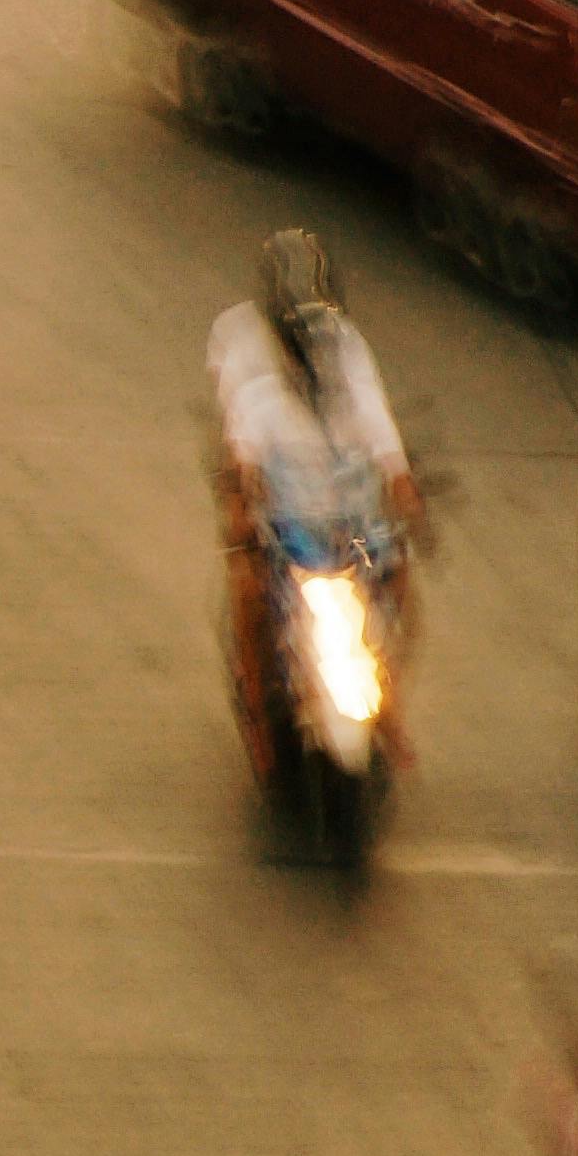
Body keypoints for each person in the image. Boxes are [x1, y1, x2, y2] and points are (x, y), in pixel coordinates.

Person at [208, 231, 419, 778]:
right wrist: (241, 513)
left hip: (347, 527)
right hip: (287, 528)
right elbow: (243, 457)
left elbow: (382, 434)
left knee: (401, 585)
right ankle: (258, 715)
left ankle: (391, 707)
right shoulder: (256, 377)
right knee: (249, 591)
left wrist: (405, 493)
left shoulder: (348, 354)